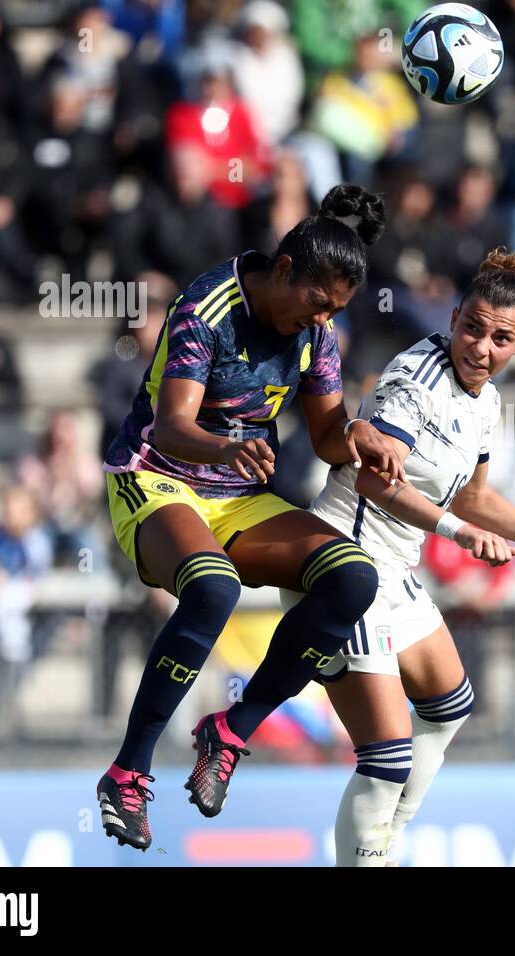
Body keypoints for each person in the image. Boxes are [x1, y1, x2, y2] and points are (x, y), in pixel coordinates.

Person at [188, 249, 515, 866]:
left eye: (501, 337)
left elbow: (474, 497)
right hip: (345, 564)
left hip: (395, 572)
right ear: (452, 317)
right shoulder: (412, 379)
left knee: (449, 705)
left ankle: (384, 848)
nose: (481, 346)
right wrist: (454, 532)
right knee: (387, 754)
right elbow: (373, 480)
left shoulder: (487, 401)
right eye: (472, 327)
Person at [96, 185, 405, 851]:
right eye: (320, 302)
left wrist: (362, 437)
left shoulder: (316, 333)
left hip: (237, 493)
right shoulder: (208, 307)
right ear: (286, 270)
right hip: (157, 479)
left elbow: (326, 437)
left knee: (353, 578)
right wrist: (229, 446)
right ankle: (128, 771)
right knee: (213, 587)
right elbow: (173, 426)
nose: (324, 319)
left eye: (338, 311)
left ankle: (231, 730)